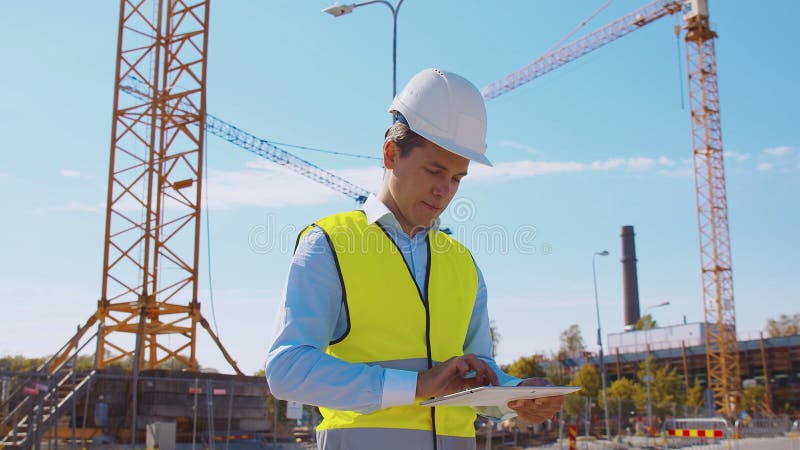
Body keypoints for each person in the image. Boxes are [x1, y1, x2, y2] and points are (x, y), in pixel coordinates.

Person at [266, 68, 565, 450]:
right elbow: (287, 369)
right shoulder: (329, 243)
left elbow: (481, 377)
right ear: (391, 154)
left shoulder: (462, 263)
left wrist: (516, 394)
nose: (445, 191)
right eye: (434, 170)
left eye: (458, 178)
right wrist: (416, 387)